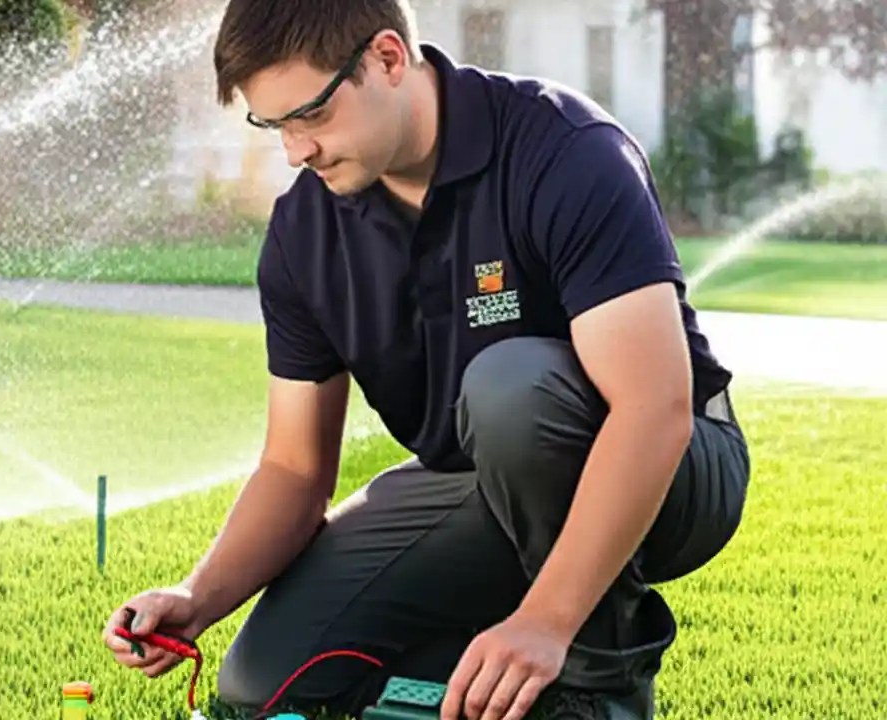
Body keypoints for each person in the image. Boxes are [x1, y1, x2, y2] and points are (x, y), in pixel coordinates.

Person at [102, 1, 751, 718]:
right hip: (476, 484)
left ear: (385, 58)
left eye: (310, 114)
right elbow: (294, 467)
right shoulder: (303, 235)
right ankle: (488, 661)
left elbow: (653, 407)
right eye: (273, 125)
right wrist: (200, 597)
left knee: (511, 387)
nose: (295, 151)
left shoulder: (563, 149)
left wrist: (549, 622)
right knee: (263, 685)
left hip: (676, 466)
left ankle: (594, 686)